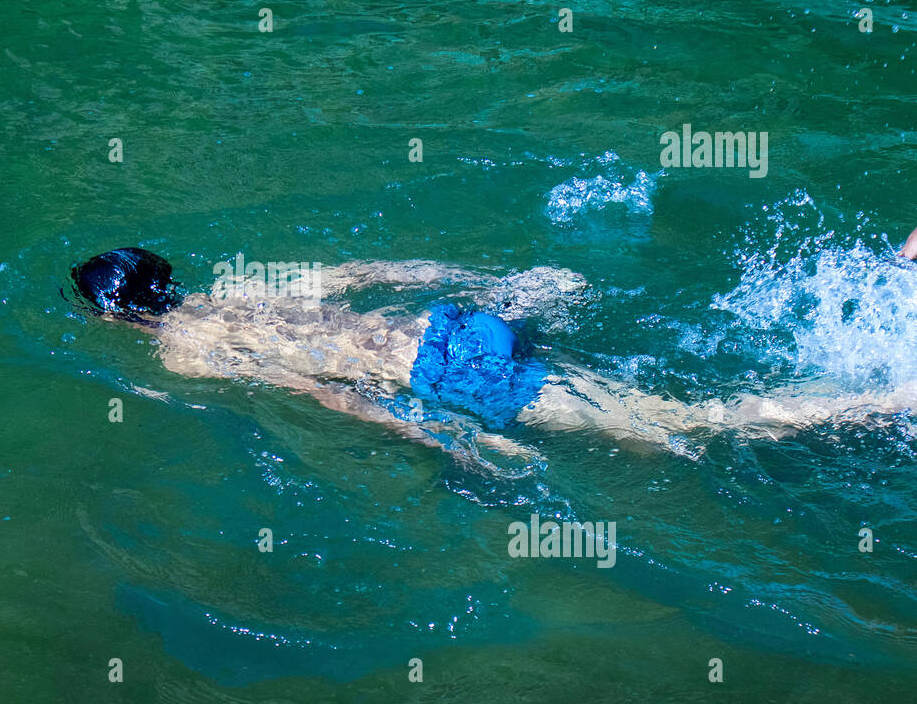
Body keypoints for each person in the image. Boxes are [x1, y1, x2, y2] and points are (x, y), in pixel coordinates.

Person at [68, 247, 911, 464]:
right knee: (557, 293)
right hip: (451, 326)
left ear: (115, 320)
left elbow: (318, 393)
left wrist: (438, 435)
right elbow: (374, 273)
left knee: (687, 427)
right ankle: (544, 295)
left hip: (446, 376)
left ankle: (889, 400)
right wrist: (474, 283)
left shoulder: (187, 356)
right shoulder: (244, 284)